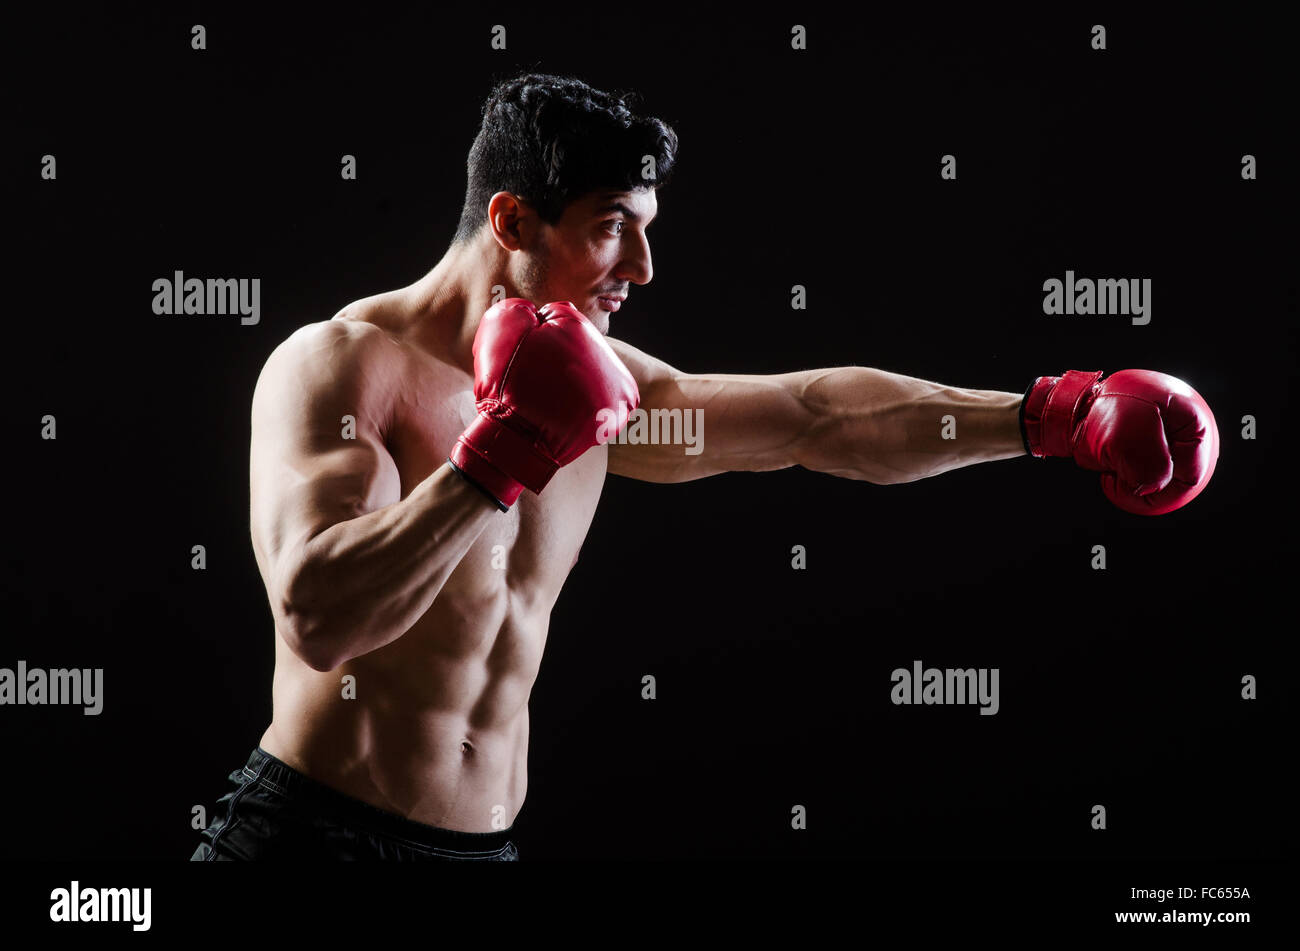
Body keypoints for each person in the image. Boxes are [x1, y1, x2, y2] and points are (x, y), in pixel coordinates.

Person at [192, 73, 1217, 861]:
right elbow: (319, 617)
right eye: (611, 231)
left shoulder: (609, 397)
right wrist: (498, 455)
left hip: (481, 848)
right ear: (510, 220)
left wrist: (1051, 417)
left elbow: (811, 419)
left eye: (646, 233)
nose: (641, 271)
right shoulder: (342, 365)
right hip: (309, 845)